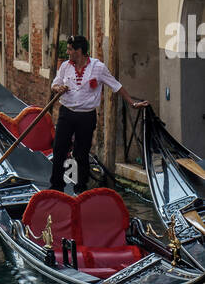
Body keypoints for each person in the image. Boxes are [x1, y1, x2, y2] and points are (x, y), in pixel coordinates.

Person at [50, 35, 148, 193]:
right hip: (66, 113)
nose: (67, 52)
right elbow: (55, 84)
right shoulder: (65, 66)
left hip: (86, 116)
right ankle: (56, 187)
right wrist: (58, 89)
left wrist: (132, 103)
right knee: (59, 149)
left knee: (81, 153)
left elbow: (116, 86)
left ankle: (80, 189)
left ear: (79, 51)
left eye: (70, 49)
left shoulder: (98, 67)